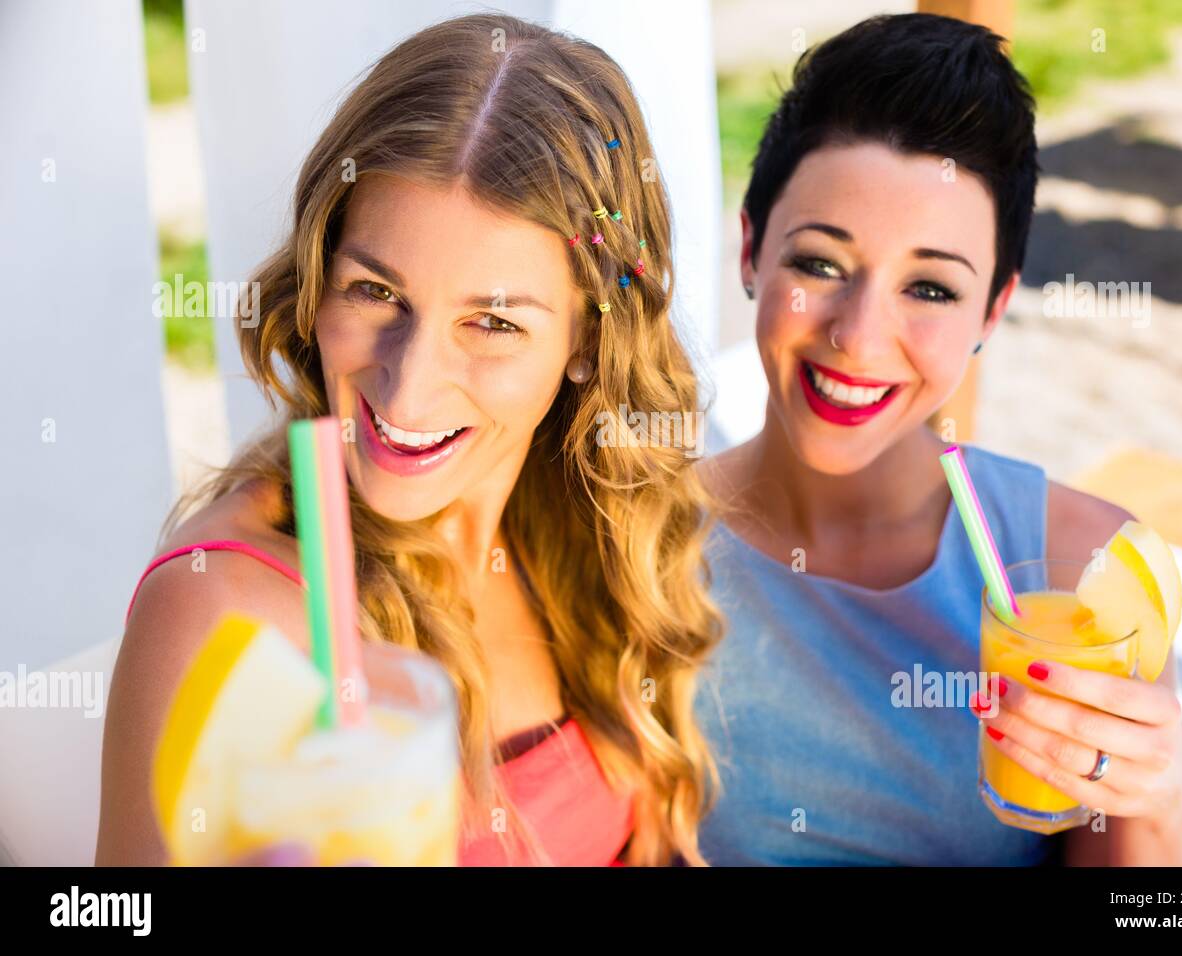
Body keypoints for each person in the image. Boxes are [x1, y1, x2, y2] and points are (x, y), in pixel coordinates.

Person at [98, 13, 721, 867]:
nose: (410, 380)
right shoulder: (228, 617)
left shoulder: (583, 526)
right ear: (318, 281)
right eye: (375, 292)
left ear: (585, 341)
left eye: (493, 320)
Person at [694, 13, 1182, 865]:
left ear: (992, 311)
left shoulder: (1092, 573)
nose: (859, 337)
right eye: (820, 264)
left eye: (931, 288)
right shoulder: (639, 546)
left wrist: (1168, 796)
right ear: (751, 251)